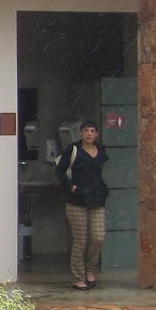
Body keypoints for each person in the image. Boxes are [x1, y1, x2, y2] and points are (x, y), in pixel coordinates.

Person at [56, 121, 108, 290]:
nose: (89, 134)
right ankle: (78, 276)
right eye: (86, 131)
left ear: (97, 134)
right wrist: (71, 186)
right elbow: (60, 171)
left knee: (98, 237)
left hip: (97, 199)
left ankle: (90, 270)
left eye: (92, 131)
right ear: (80, 133)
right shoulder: (73, 149)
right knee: (80, 240)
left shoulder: (101, 151)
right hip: (76, 200)